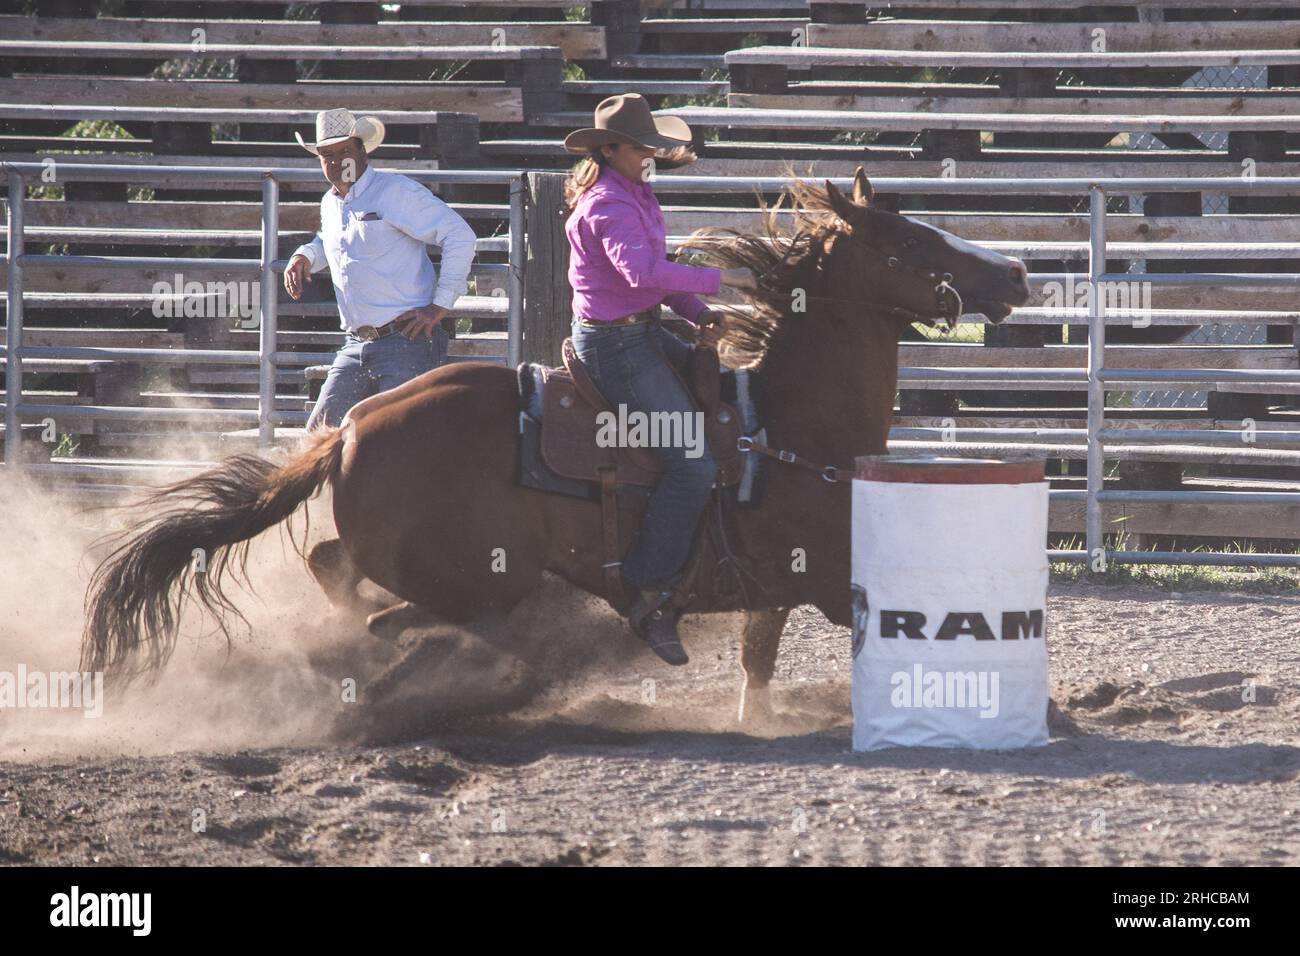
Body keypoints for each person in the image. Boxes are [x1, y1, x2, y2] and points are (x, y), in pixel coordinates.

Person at [563, 93, 757, 666]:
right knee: (691, 461)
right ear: (611, 149)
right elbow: (640, 271)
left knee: (728, 398)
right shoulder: (609, 205)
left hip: (637, 332)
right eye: (641, 145)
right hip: (616, 346)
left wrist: (700, 315)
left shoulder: (634, 196)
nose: (650, 153)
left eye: (652, 145)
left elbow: (652, 279)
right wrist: (723, 278)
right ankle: (649, 590)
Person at [284, 108, 477, 430]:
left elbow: (459, 234)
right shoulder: (331, 202)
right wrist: (306, 255)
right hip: (358, 341)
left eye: (344, 151)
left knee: (400, 439)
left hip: (406, 339)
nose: (336, 161)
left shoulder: (395, 191)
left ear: (362, 151)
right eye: (327, 154)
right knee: (321, 434)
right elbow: (333, 241)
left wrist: (440, 305)